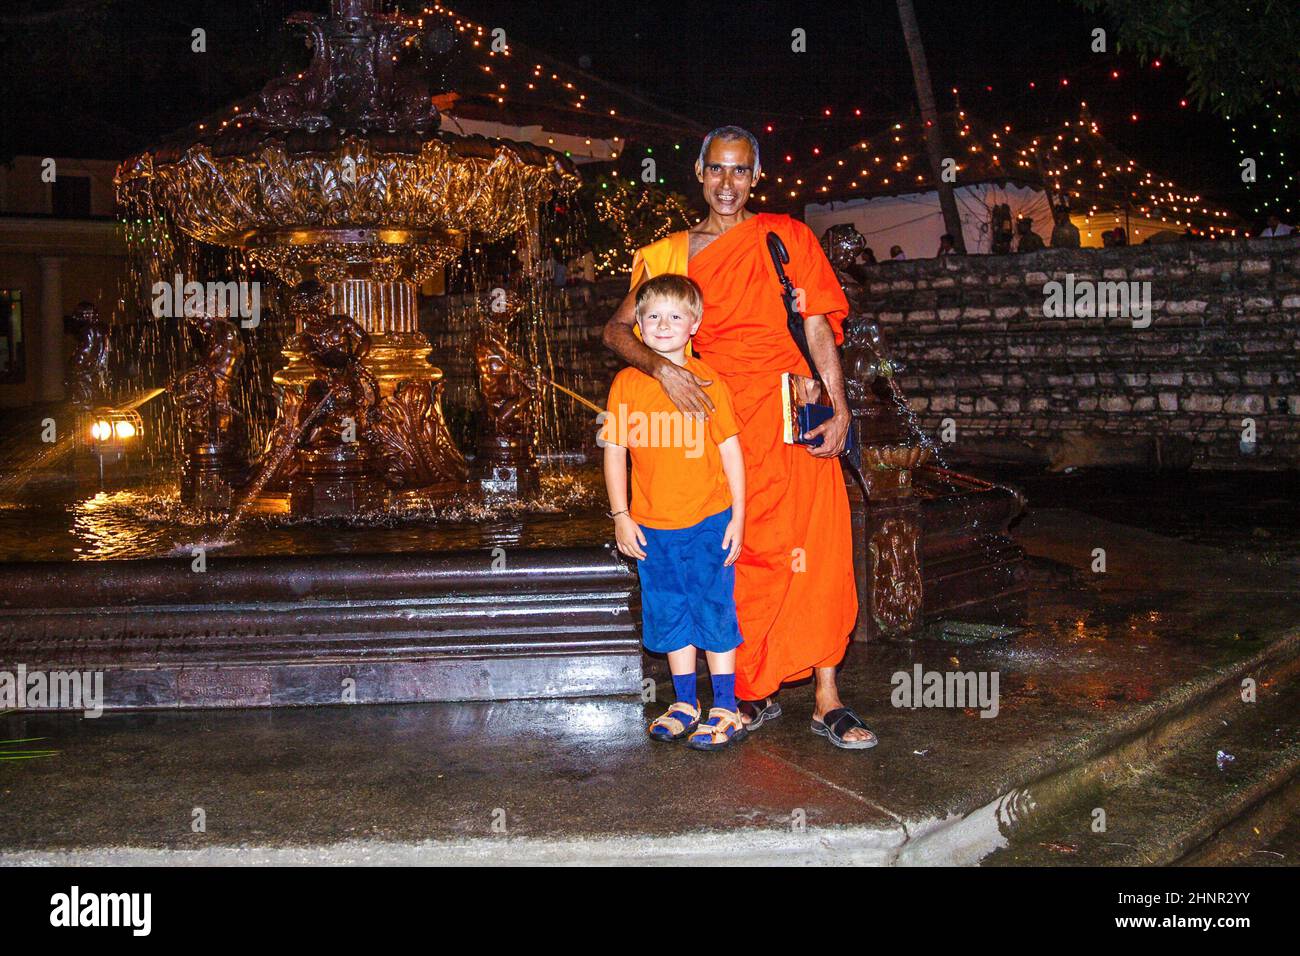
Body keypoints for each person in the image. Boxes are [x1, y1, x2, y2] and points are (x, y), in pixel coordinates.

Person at [602, 125, 875, 750]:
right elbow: (618, 332)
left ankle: (827, 696)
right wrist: (664, 369)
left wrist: (836, 404)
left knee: (815, 549)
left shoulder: (787, 237)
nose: (728, 183)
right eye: (717, 170)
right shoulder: (667, 254)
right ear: (699, 173)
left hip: (789, 411)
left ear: (757, 177)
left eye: (740, 171)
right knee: (741, 553)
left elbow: (817, 326)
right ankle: (749, 689)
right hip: (713, 419)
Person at [600, 274, 748, 750]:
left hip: (708, 519)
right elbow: (614, 450)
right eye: (653, 316)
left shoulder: (710, 381)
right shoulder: (626, 383)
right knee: (668, 611)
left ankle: (726, 707)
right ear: (638, 326)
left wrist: (739, 517)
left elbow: (731, 451)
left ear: (695, 324)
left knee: (713, 608)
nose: (664, 325)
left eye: (675, 316)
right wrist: (621, 513)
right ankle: (686, 702)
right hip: (651, 525)